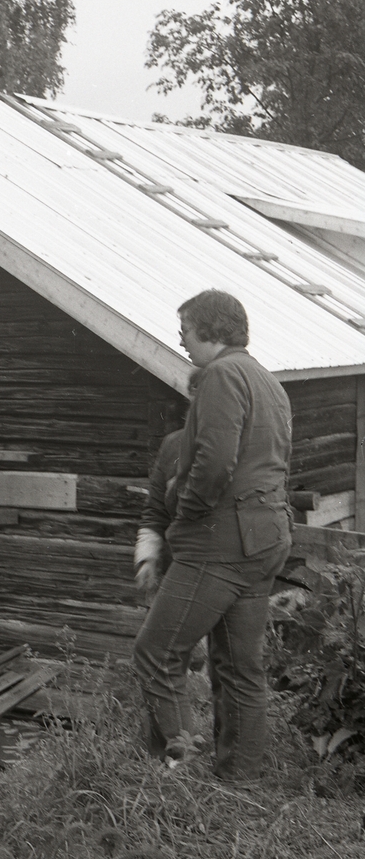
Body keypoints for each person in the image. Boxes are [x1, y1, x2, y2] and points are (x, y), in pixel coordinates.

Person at [132, 290, 292, 780]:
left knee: (157, 652)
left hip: (221, 541)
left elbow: (216, 460)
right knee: (239, 668)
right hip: (265, 536)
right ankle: (239, 780)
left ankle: (178, 766)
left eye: (185, 330)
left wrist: (186, 513)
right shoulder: (267, 380)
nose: (181, 340)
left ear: (210, 329)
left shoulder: (221, 375)